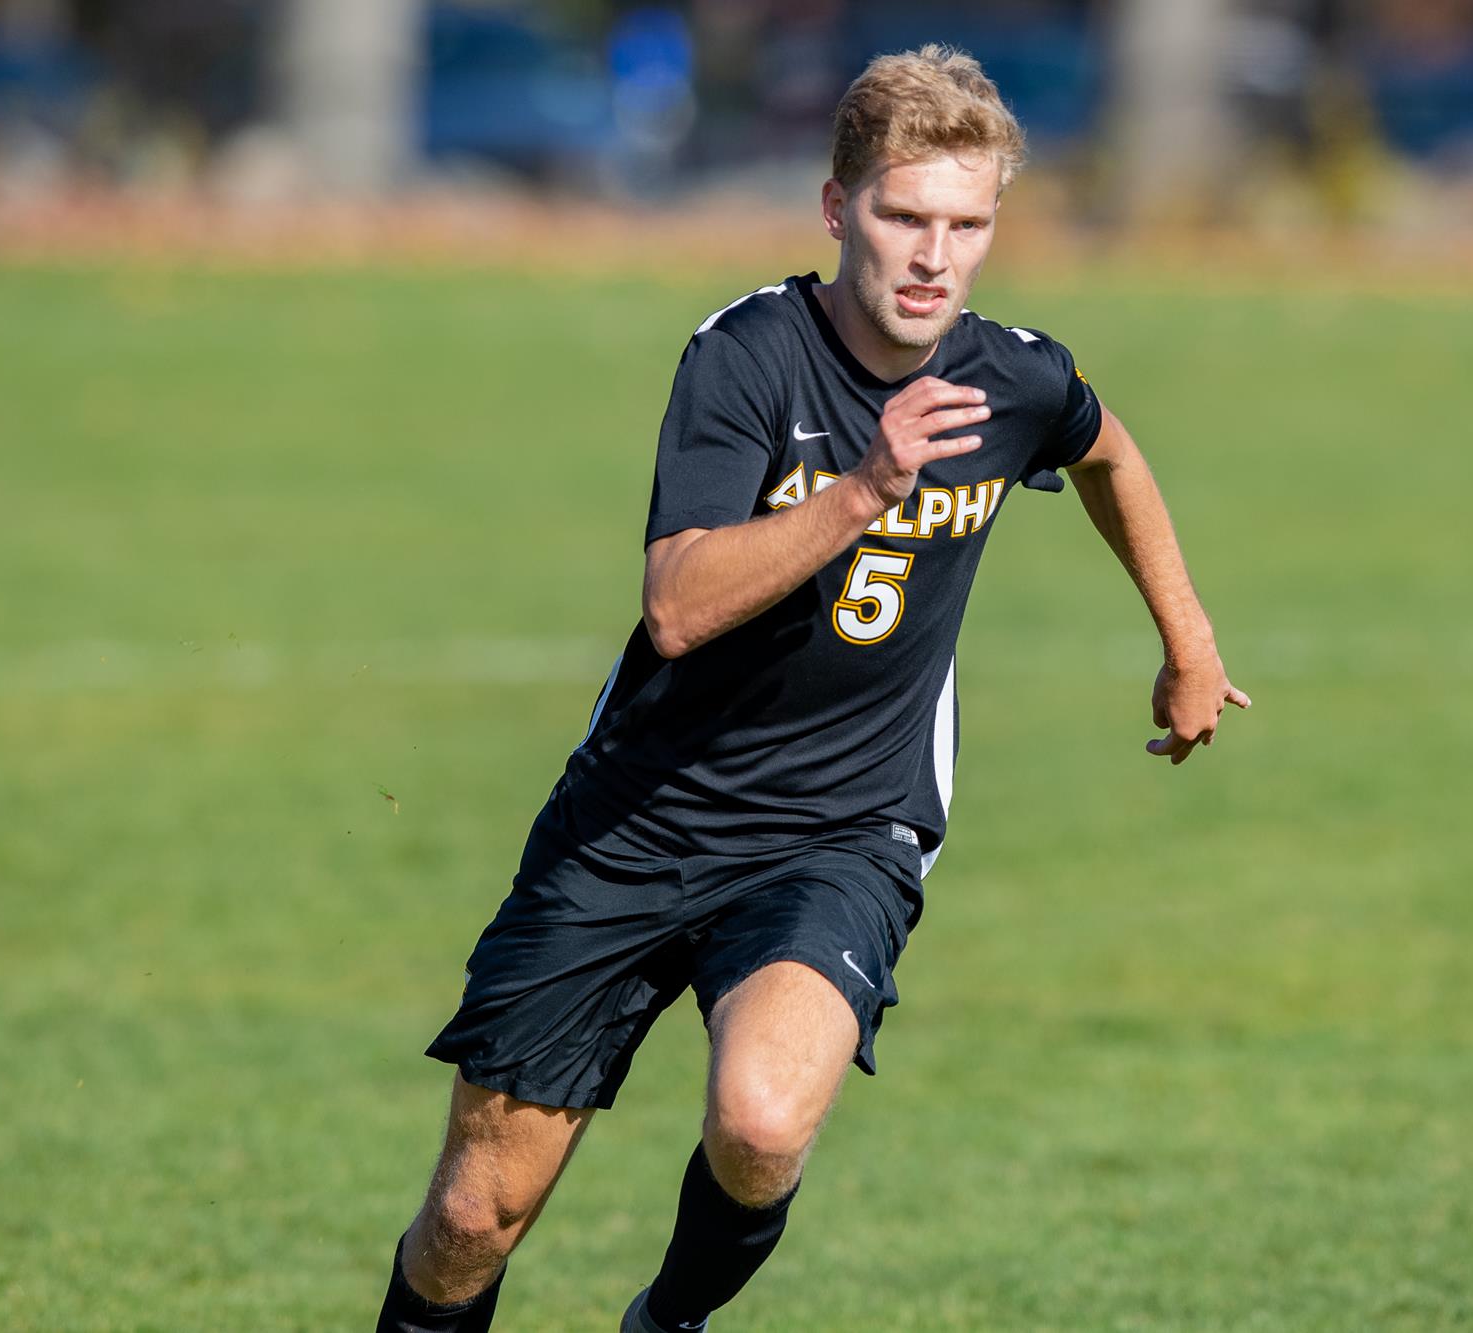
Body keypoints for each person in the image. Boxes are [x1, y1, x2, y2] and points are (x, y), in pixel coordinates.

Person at [376, 44, 1250, 1333]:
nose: (932, 258)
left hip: (841, 830)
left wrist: (1190, 642)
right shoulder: (745, 357)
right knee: (470, 1222)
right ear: (839, 209)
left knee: (764, 1119)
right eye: (904, 217)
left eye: (966, 224)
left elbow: (1108, 451)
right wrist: (862, 491)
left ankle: (665, 1322)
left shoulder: (1014, 376)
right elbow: (676, 608)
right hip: (639, 821)